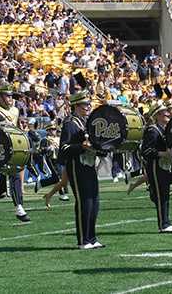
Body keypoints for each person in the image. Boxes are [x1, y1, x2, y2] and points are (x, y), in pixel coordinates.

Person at [59, 90, 103, 250]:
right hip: (76, 166)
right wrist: (81, 146)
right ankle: (83, 240)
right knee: (84, 202)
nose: (88, 106)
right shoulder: (70, 123)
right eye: (85, 104)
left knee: (94, 202)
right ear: (76, 105)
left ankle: (92, 237)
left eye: (88, 104)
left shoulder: (86, 122)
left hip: (89, 165)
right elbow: (64, 148)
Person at [0, 84, 30, 222]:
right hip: (0, 149)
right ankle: (19, 208)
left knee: (3, 186)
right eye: (7, 96)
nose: (10, 99)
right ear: (0, 97)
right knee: (14, 174)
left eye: (11, 96)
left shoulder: (15, 110)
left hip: (14, 147)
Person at [141, 100, 172, 233]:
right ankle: (163, 224)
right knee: (162, 195)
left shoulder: (164, 129)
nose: (168, 114)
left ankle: (166, 222)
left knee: (165, 194)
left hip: (164, 166)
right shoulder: (153, 130)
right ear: (157, 115)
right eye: (164, 112)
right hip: (155, 166)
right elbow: (145, 151)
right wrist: (163, 153)